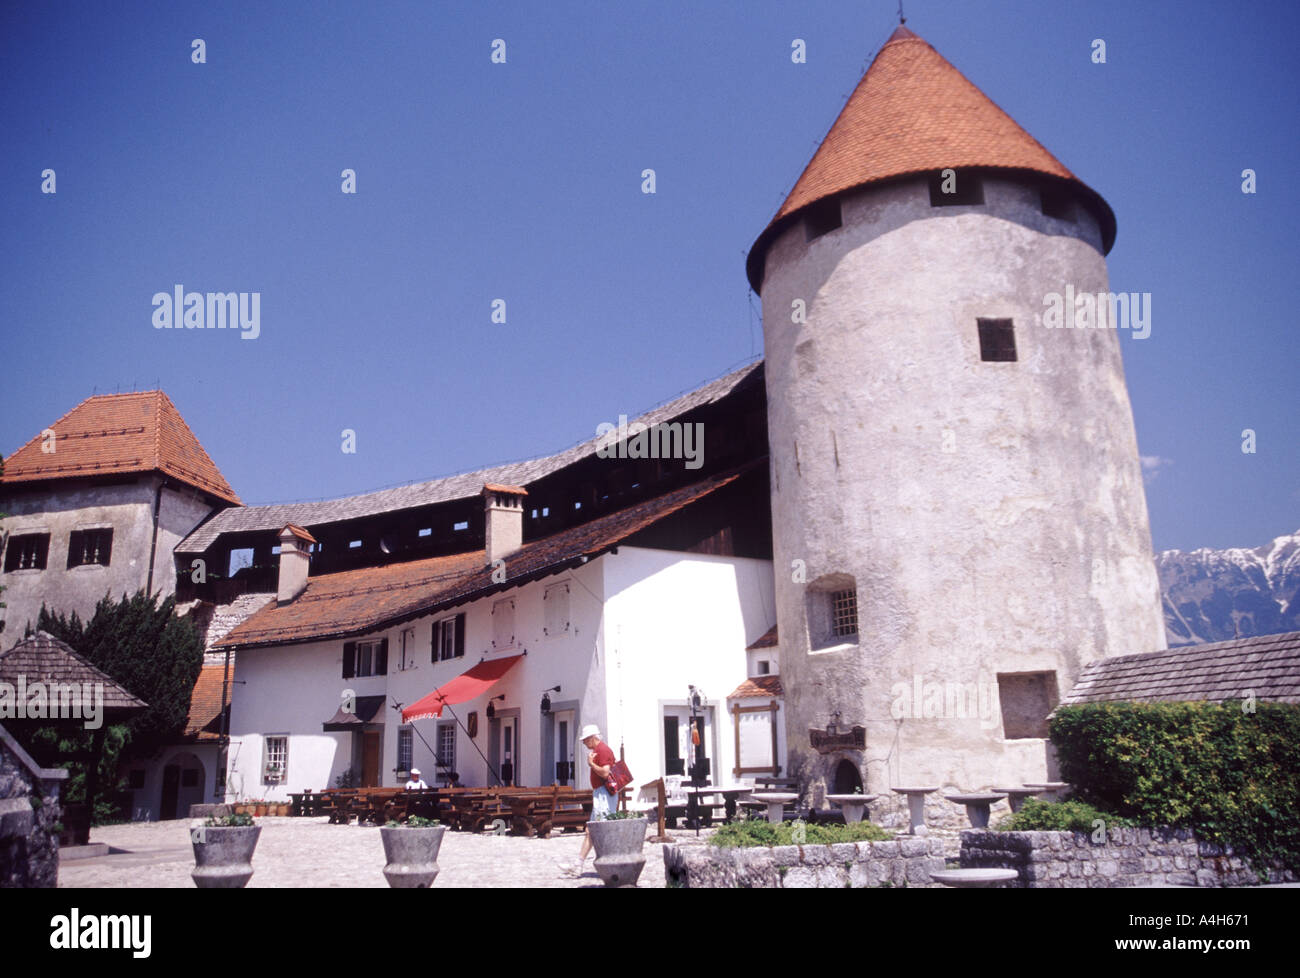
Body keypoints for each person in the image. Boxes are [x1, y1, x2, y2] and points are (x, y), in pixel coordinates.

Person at [564, 724, 617, 878]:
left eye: (585, 740)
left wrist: (591, 764)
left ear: (593, 738)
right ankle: (578, 864)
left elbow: (605, 773)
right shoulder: (598, 750)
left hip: (603, 794)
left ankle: (607, 863)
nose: (584, 743)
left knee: (598, 830)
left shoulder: (603, 751)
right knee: (591, 830)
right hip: (601, 793)